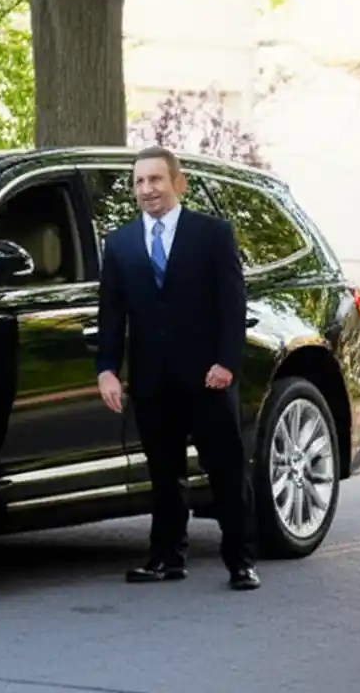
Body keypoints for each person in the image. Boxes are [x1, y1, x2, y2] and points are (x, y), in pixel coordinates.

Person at [94, 146, 260, 591]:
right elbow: (112, 312)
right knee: (164, 474)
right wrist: (106, 368)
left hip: (208, 378)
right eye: (139, 182)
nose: (147, 189)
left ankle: (241, 561)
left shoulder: (212, 234)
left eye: (155, 179)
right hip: (152, 381)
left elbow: (232, 304)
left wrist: (226, 362)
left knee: (225, 471)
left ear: (177, 183)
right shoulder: (120, 244)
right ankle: (166, 557)